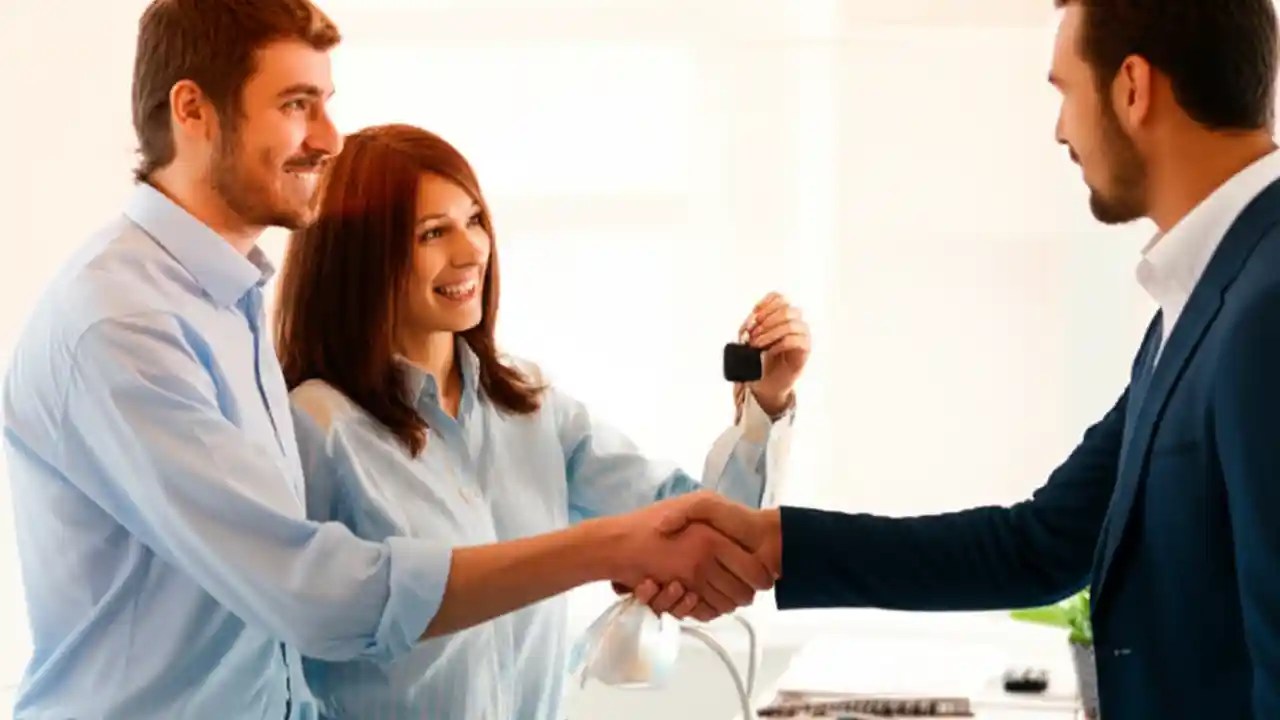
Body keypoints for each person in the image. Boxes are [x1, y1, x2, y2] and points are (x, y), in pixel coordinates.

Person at [0, 2, 776, 718]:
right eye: (296, 104)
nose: (330, 137)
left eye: (326, 102)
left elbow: (274, 661)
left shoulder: (224, 307)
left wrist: (758, 418)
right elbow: (319, 595)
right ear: (192, 110)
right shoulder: (122, 327)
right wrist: (607, 546)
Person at [659, 1, 1280, 718]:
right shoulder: (1202, 297)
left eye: (1063, 90)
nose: (1059, 129)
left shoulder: (1265, 305)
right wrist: (777, 543)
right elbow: (1040, 544)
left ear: (1133, 88)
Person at [272, 122, 809, 720]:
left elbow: (712, 528)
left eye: (474, 220)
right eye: (433, 233)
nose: (471, 250)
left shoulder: (529, 406)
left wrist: (765, 401)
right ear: (361, 257)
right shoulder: (318, 426)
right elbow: (289, 637)